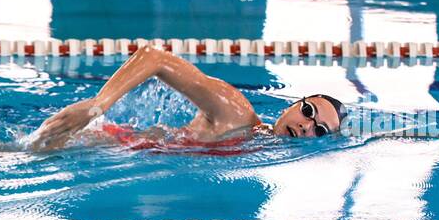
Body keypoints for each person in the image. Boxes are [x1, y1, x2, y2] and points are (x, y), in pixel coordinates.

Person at [29, 45, 344, 151]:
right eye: (308, 112)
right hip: (104, 144)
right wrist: (97, 106)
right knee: (1, 154)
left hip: (113, 153)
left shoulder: (259, 146)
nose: (307, 127)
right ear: (293, 104)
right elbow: (155, 57)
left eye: (319, 131)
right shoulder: (237, 113)